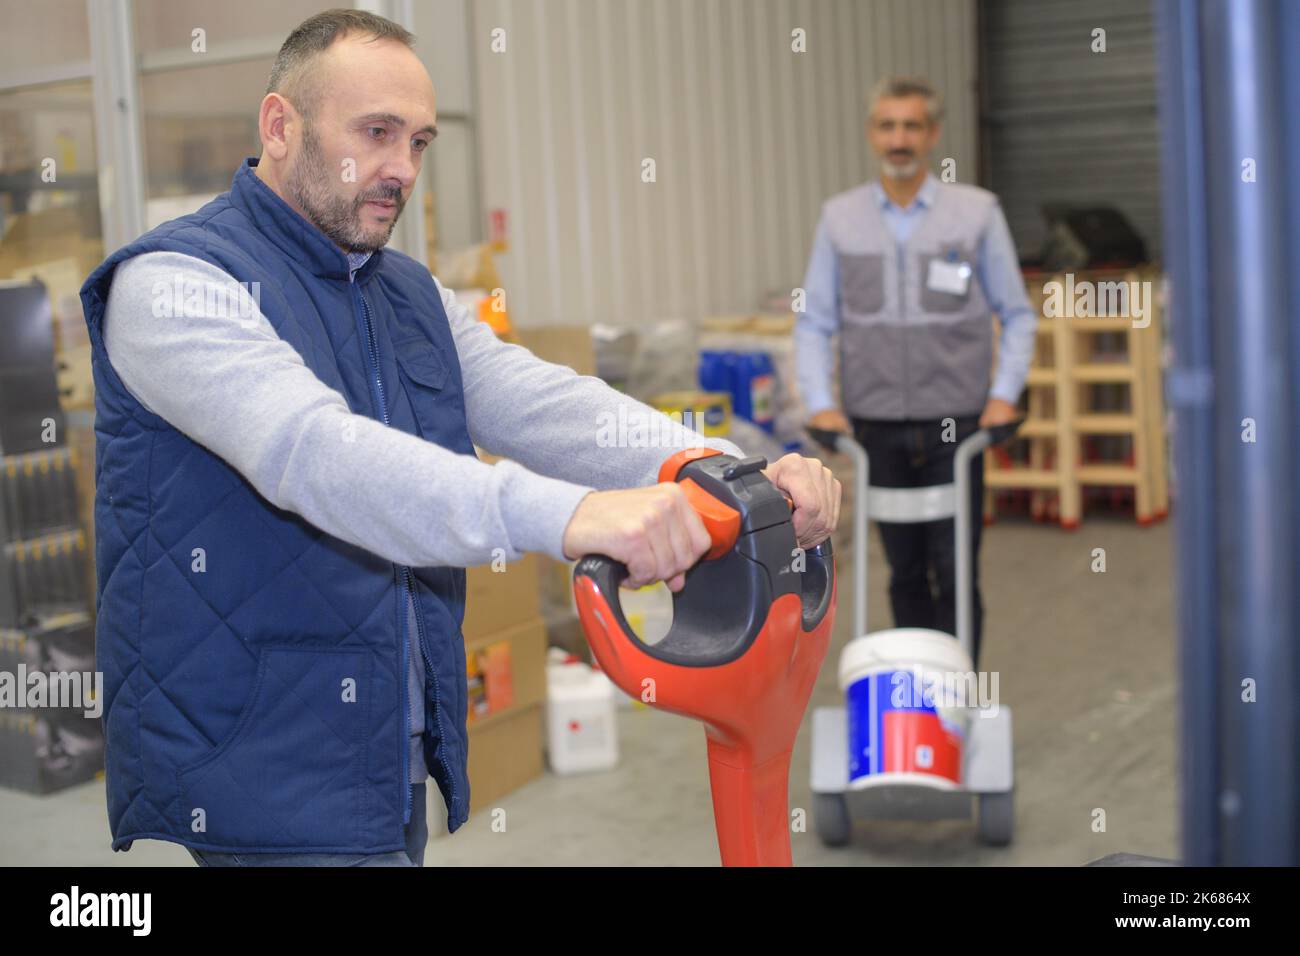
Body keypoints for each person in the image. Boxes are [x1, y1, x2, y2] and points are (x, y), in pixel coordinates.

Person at [81, 9, 840, 867]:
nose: (401, 169)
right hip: (262, 759)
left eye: (420, 142)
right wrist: (575, 517)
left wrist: (729, 472)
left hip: (384, 748)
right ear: (280, 126)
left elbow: (543, 401)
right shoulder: (173, 285)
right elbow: (312, 454)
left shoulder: (404, 291)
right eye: (375, 133)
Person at [796, 76, 1034, 668]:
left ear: (931, 135)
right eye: (887, 126)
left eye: (911, 126)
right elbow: (814, 321)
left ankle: (959, 702)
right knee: (902, 570)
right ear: (873, 133)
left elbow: (1018, 313)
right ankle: (920, 695)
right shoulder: (840, 218)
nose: (898, 139)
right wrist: (822, 402)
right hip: (875, 425)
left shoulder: (975, 213)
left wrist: (1004, 396)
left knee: (955, 568)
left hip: (958, 423)